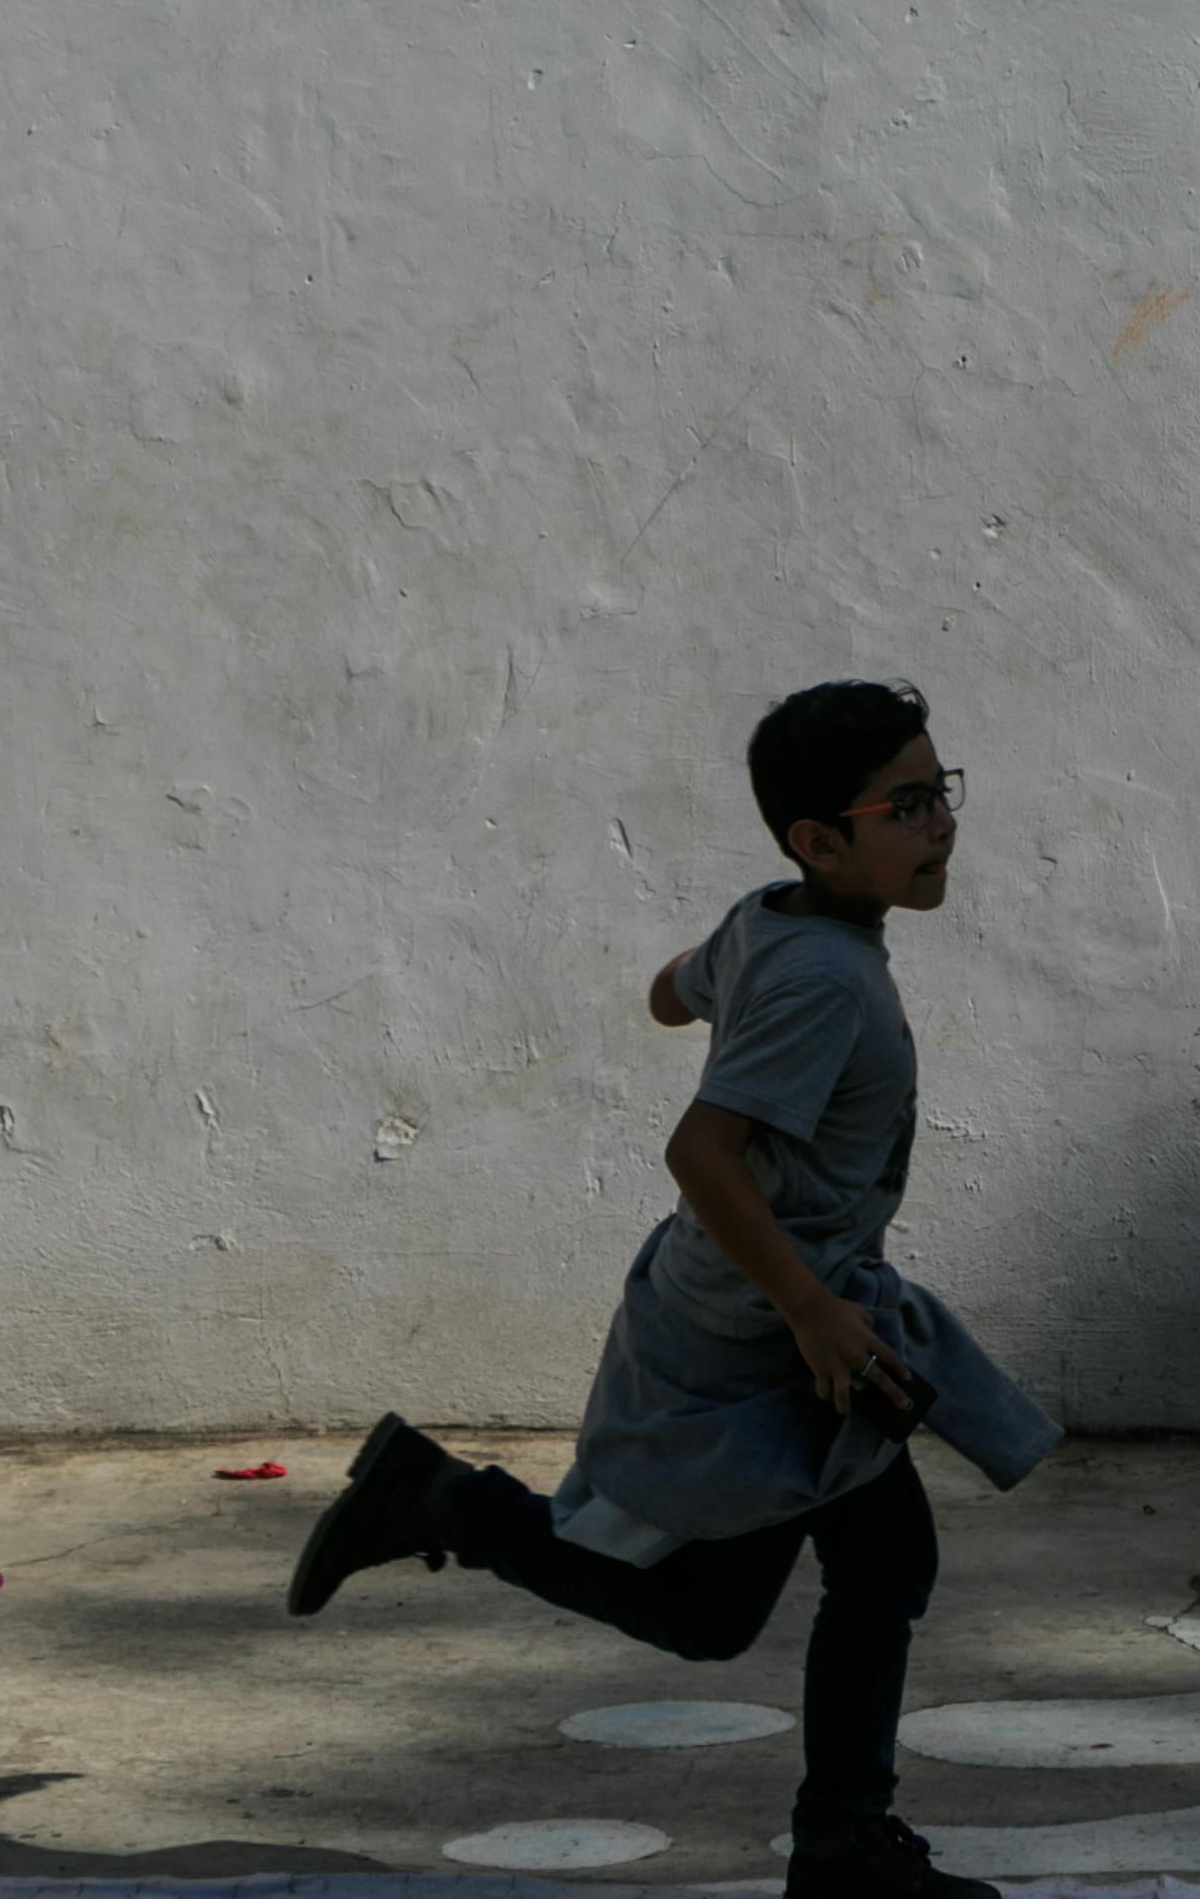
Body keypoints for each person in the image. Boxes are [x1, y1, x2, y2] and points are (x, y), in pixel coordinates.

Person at [285, 679, 1058, 1899]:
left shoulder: (774, 922)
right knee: (713, 1613)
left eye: (940, 790)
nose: (941, 823)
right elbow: (699, 1152)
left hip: (783, 1304)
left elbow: (671, 987)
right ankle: (442, 1502)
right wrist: (813, 1310)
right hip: (771, 1329)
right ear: (821, 840)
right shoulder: (823, 980)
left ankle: (846, 1841)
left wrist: (714, 984)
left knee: (884, 1557)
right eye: (906, 805)